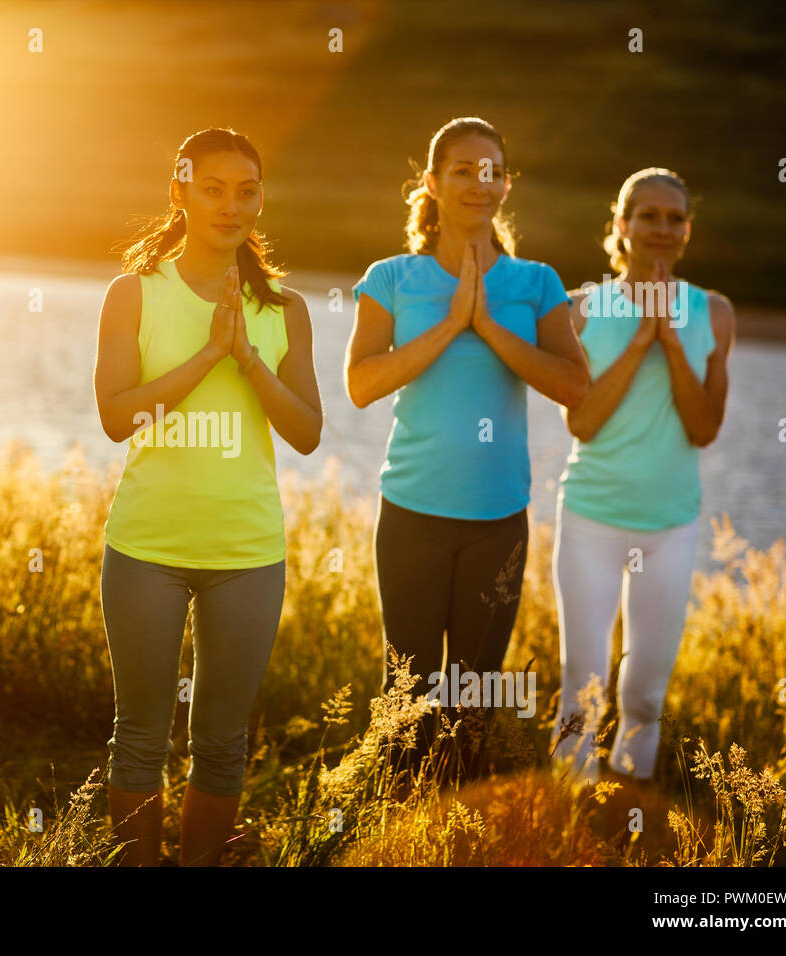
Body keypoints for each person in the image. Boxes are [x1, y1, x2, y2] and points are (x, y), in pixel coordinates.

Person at [93, 127, 322, 865]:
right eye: (213, 189)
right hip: (146, 549)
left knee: (223, 742)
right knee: (139, 738)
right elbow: (118, 415)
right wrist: (207, 355)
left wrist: (248, 359)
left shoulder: (286, 310)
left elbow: (309, 432)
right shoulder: (132, 294)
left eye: (247, 191)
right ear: (180, 193)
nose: (232, 206)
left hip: (247, 554)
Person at [345, 116, 588, 782]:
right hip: (412, 516)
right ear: (431, 183)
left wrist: (489, 328)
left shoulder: (536, 284)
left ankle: (457, 837)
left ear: (506, 184)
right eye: (462, 170)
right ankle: (399, 827)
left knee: (473, 699)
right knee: (412, 696)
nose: (479, 185)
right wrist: (453, 323)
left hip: (497, 523)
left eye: (491, 172)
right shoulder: (392, 277)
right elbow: (361, 383)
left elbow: (574, 386)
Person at [551, 168, 734, 783]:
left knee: (648, 692)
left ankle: (630, 810)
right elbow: (584, 423)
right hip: (590, 520)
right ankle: (565, 812)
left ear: (687, 231)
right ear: (621, 226)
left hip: (670, 527)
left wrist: (673, 344)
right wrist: (639, 343)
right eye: (647, 215)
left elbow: (704, 428)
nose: (661, 227)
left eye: (674, 218)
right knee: (583, 681)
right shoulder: (582, 309)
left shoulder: (714, 312)